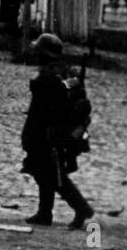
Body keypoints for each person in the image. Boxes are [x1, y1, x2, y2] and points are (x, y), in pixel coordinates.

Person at [20, 33, 93, 229]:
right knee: (45, 173)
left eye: (38, 52)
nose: (35, 55)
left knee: (54, 176)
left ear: (43, 54)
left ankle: (81, 208)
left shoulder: (48, 78)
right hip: (60, 133)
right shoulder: (66, 72)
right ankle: (45, 212)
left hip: (49, 135)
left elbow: (43, 112)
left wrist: (30, 137)